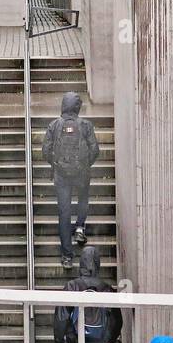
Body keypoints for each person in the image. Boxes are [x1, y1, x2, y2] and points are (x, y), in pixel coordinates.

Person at [41, 90, 99, 268]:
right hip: (82, 173)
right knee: (82, 199)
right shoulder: (86, 125)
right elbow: (95, 150)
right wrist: (85, 165)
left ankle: (67, 256)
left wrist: (57, 165)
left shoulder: (54, 125)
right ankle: (80, 227)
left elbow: (45, 151)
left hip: (61, 176)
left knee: (64, 214)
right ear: (78, 107)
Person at [53, 246, 123, 343]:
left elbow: (61, 317)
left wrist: (59, 342)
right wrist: (112, 339)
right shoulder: (106, 288)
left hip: (75, 341)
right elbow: (116, 318)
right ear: (98, 264)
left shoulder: (72, 286)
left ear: (81, 263)